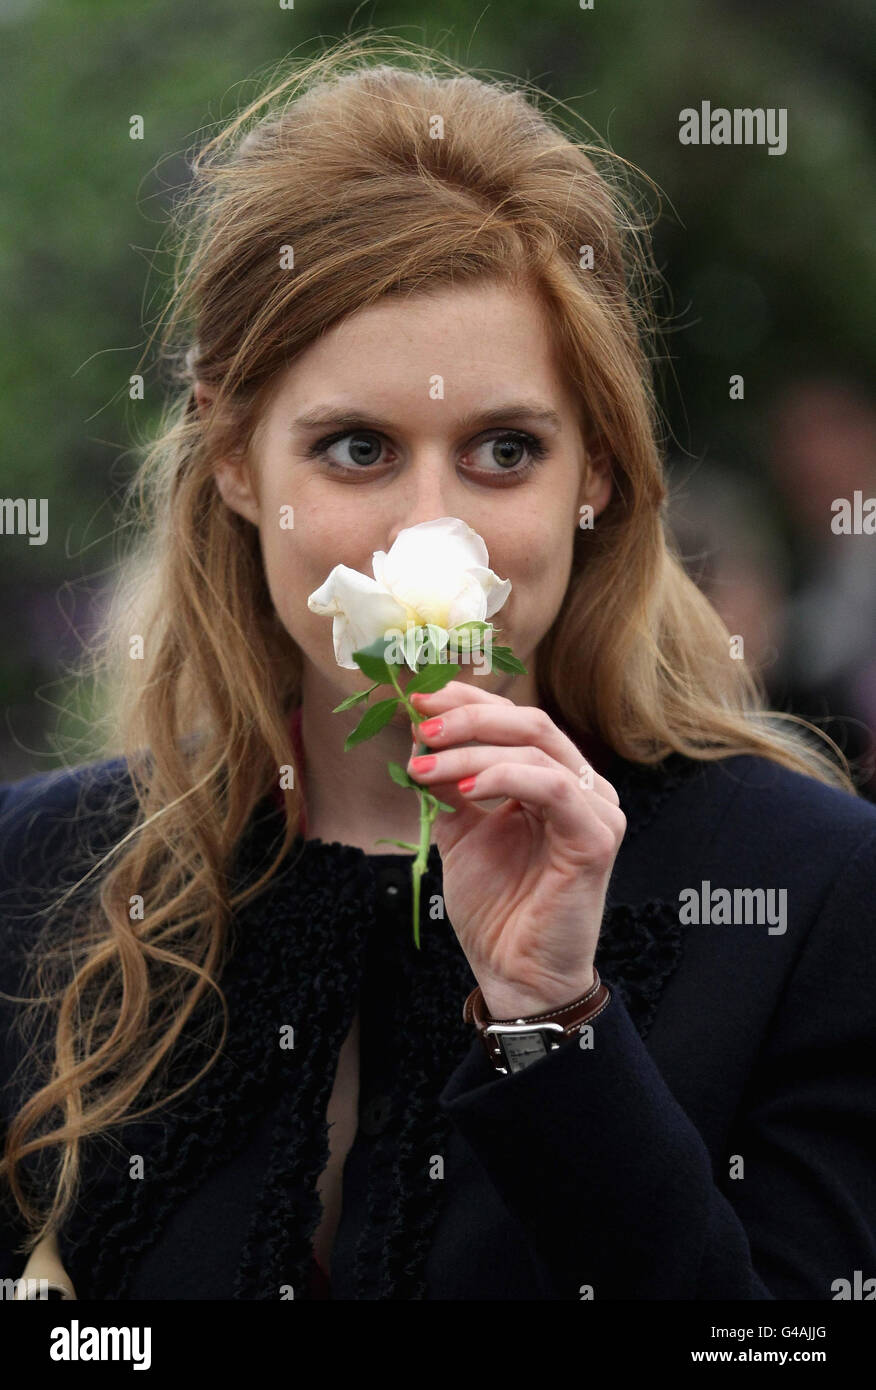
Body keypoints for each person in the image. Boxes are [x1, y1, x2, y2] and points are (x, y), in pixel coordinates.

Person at [2, 35, 875, 1302]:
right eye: (356, 447)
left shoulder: (811, 895)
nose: (428, 531)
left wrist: (553, 1025)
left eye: (505, 451)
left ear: (602, 472)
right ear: (237, 457)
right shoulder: (42, 879)